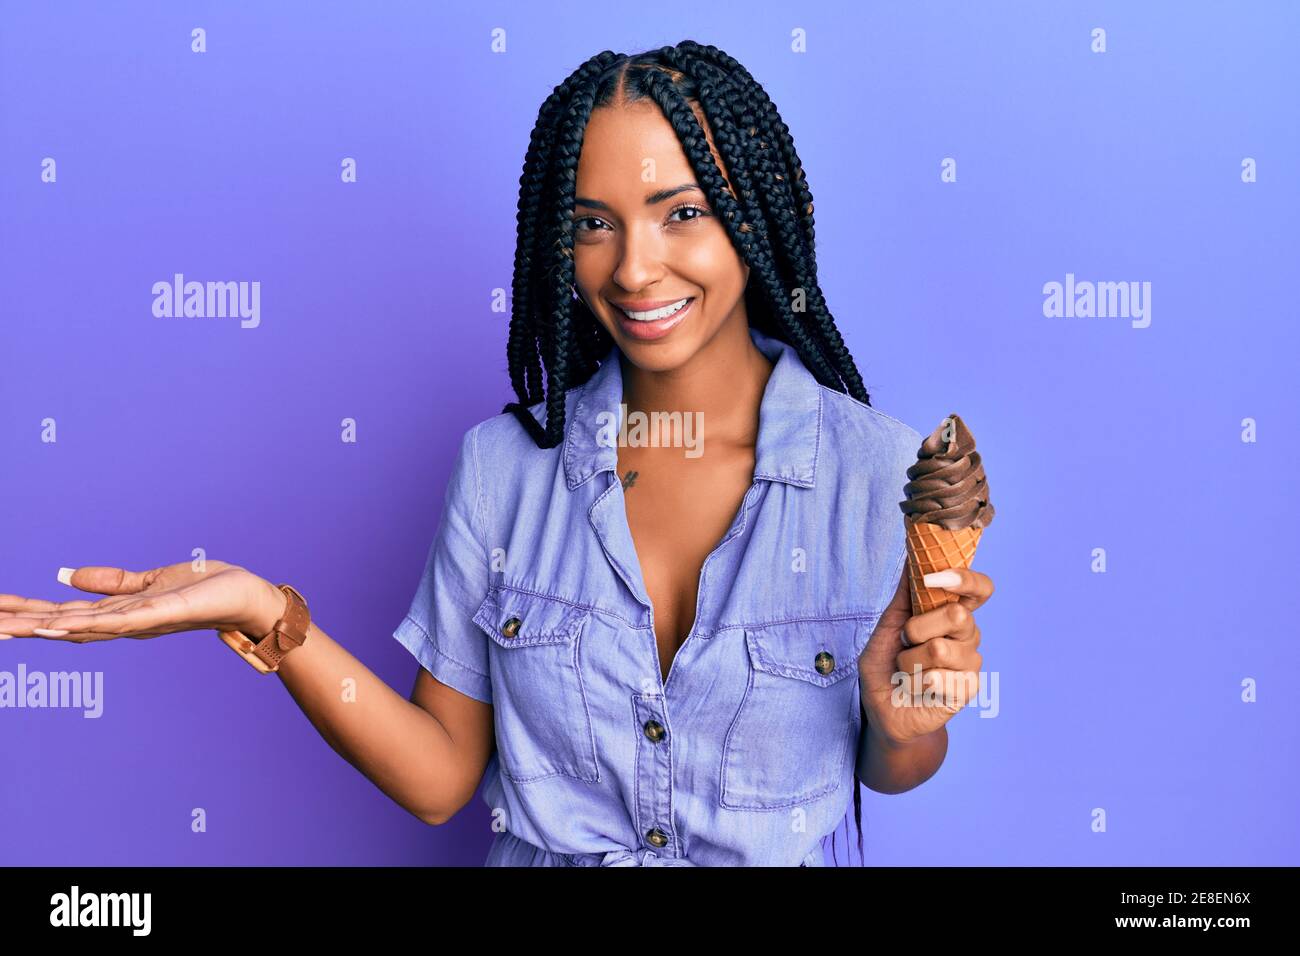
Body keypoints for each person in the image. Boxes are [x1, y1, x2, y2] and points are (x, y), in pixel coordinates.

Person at [0, 40, 994, 866]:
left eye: (680, 212)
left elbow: (888, 762)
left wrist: (908, 717)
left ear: (757, 214)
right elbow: (440, 778)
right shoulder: (501, 470)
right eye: (591, 225)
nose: (634, 266)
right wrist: (271, 612)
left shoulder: (878, 475)